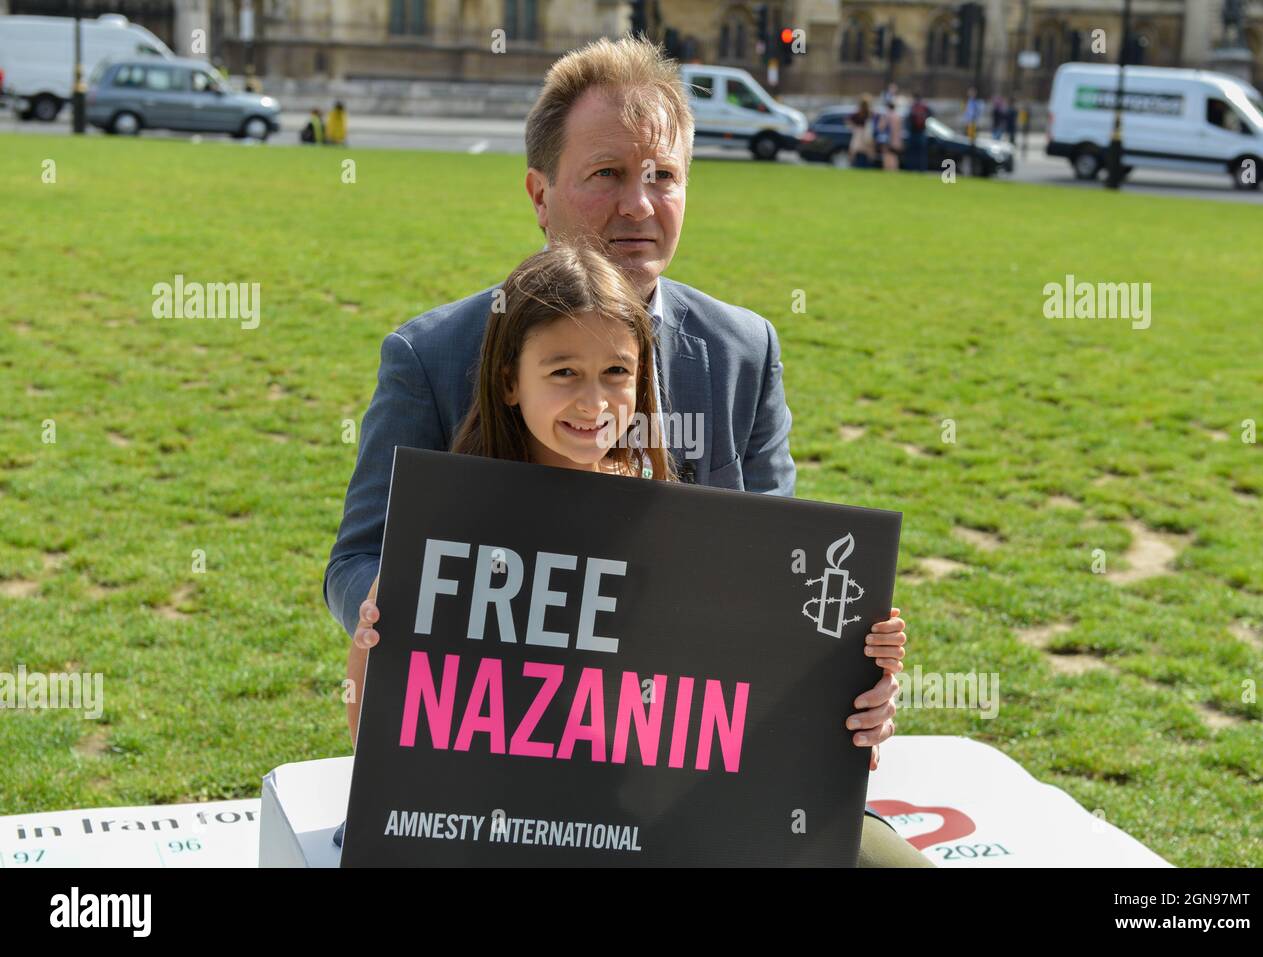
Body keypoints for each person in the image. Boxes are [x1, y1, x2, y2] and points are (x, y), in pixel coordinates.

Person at [326, 36, 926, 867]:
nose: (639, 205)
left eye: (663, 176)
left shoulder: (744, 350)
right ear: (540, 193)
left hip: (691, 758)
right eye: (607, 173)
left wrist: (847, 681)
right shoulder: (434, 355)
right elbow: (358, 555)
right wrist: (401, 608)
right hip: (502, 766)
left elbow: (780, 578)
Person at [847, 95, 876, 168]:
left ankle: (855, 164)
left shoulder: (861, 113)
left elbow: (848, 121)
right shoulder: (868, 113)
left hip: (860, 133)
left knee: (856, 150)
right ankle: (866, 163)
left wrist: (853, 127)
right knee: (865, 150)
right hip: (864, 132)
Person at [904, 91, 931, 172]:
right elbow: (931, 115)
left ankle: (911, 169)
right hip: (922, 134)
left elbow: (907, 119)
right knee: (922, 154)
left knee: (911, 154)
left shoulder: (912, 107)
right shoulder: (925, 107)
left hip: (912, 133)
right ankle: (922, 169)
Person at [878, 98, 903, 171]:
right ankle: (894, 170)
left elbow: (881, 127)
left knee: (886, 156)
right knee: (894, 156)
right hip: (896, 140)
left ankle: (887, 170)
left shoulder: (887, 115)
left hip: (888, 139)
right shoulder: (898, 116)